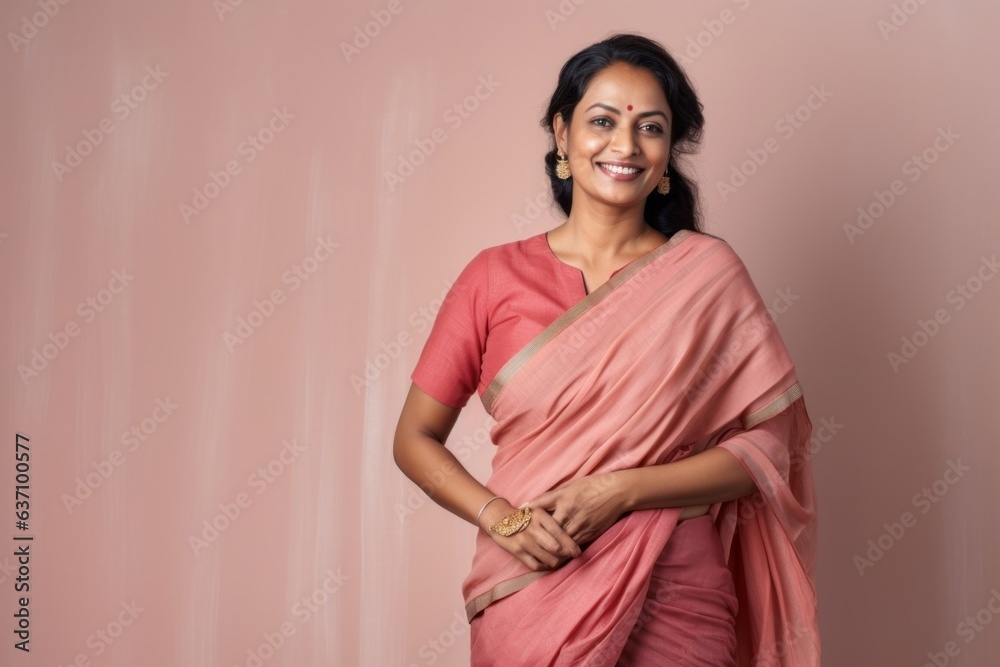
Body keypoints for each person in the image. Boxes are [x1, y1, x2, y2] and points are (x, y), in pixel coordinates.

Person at [393, 33, 820, 666]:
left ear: (668, 152)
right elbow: (414, 438)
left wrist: (623, 491)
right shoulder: (492, 277)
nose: (625, 145)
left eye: (650, 127)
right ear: (562, 135)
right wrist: (499, 518)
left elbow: (769, 452)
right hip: (529, 585)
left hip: (679, 589)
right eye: (602, 121)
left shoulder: (706, 275)